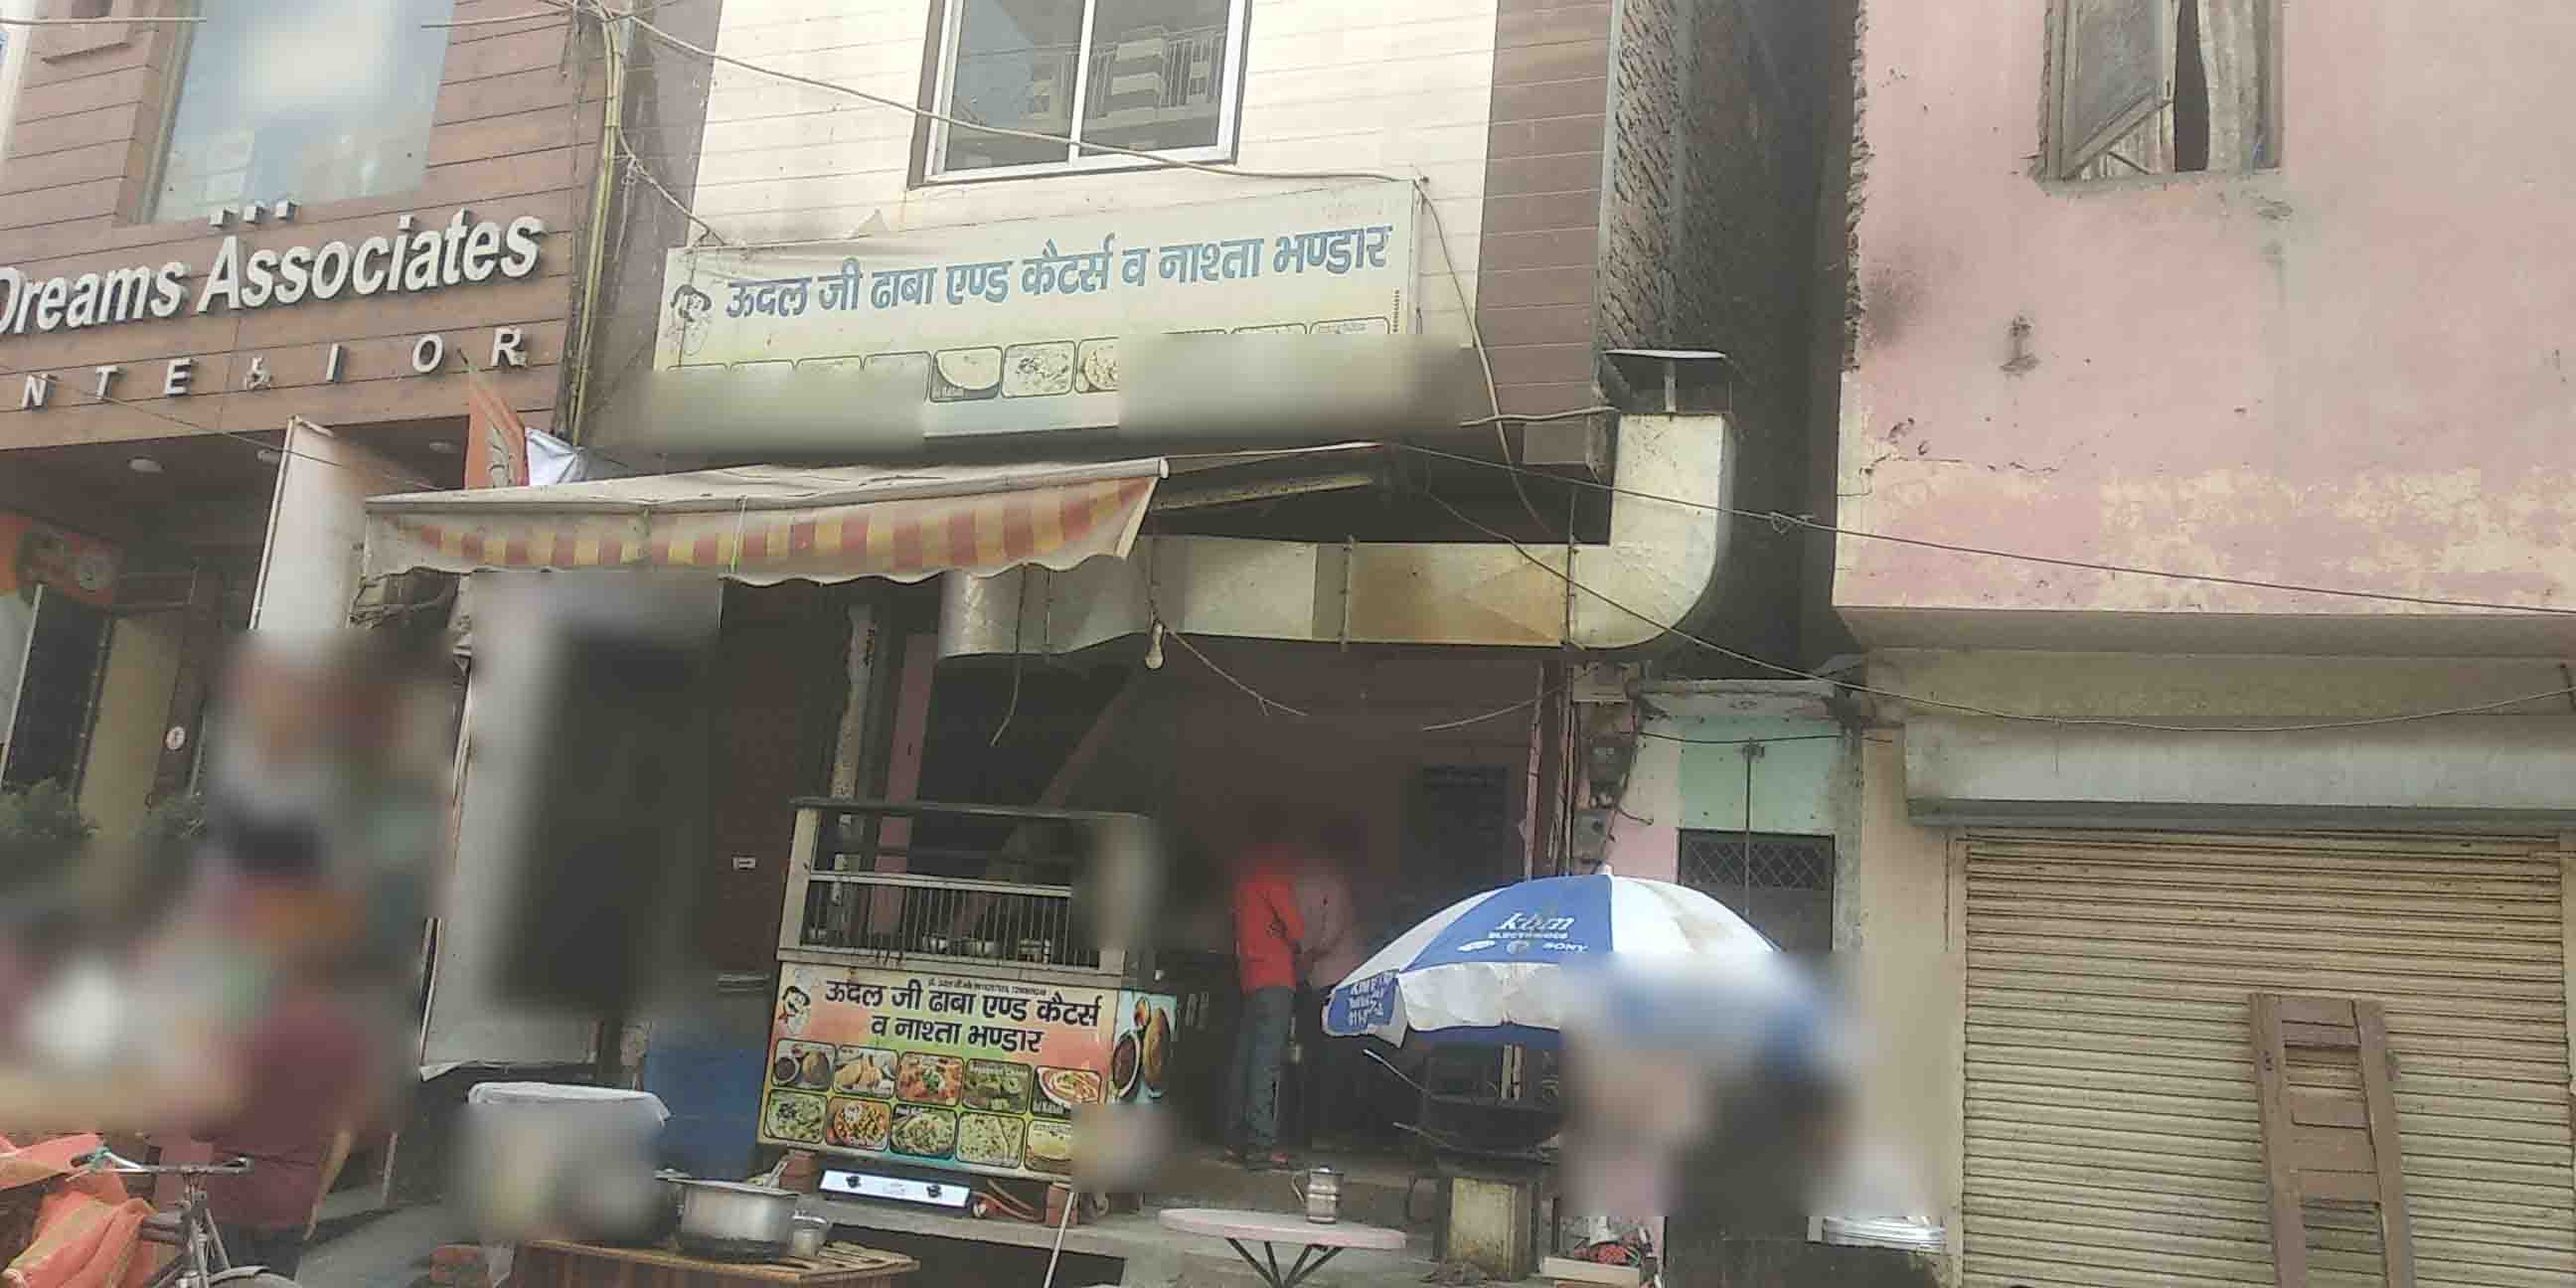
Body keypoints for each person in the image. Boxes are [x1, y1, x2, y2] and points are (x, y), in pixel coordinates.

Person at [1226, 806, 1306, 1171]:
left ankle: (1236, 1139)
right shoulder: (1272, 875)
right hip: (1275, 978)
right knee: (1266, 1064)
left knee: (1244, 1060)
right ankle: (1261, 1143)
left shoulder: (1243, 879)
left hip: (1250, 978)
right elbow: (1297, 929)